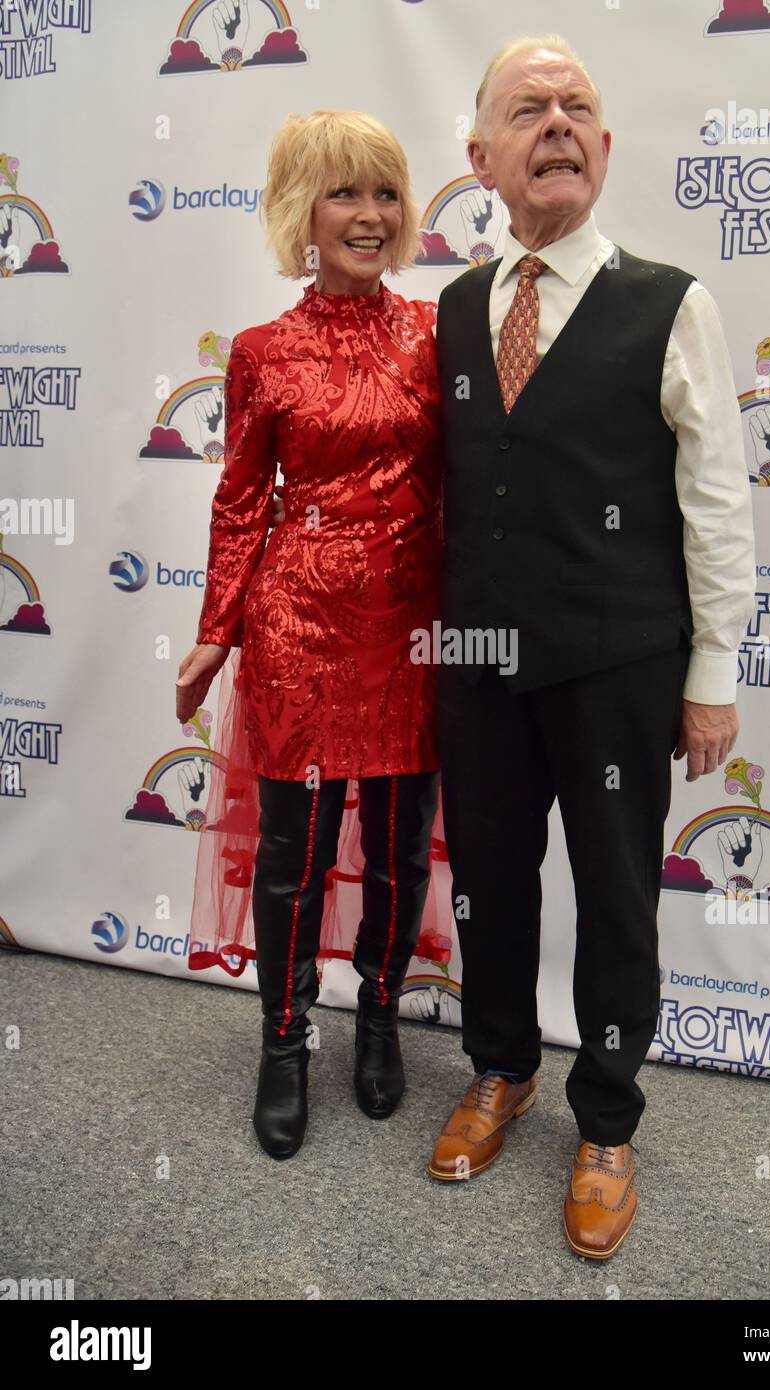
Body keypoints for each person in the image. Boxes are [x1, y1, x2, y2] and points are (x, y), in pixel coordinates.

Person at [425, 35, 756, 1261]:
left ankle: (606, 1121)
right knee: (488, 881)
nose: (556, 124)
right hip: (478, 664)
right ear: (482, 157)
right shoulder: (456, 306)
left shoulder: (673, 304)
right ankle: (500, 1067)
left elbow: (717, 498)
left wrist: (711, 675)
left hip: (618, 663)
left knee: (617, 896)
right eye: (528, 109)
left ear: (606, 149)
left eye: (577, 108)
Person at [175, 109, 446, 1160]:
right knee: (289, 854)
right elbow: (242, 501)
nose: (369, 215)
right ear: (302, 210)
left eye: (384, 192)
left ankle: (376, 1021)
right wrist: (215, 630)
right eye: (344, 192)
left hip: (412, 625)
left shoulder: (435, 332)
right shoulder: (258, 353)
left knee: (394, 850)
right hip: (294, 620)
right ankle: (283, 1042)